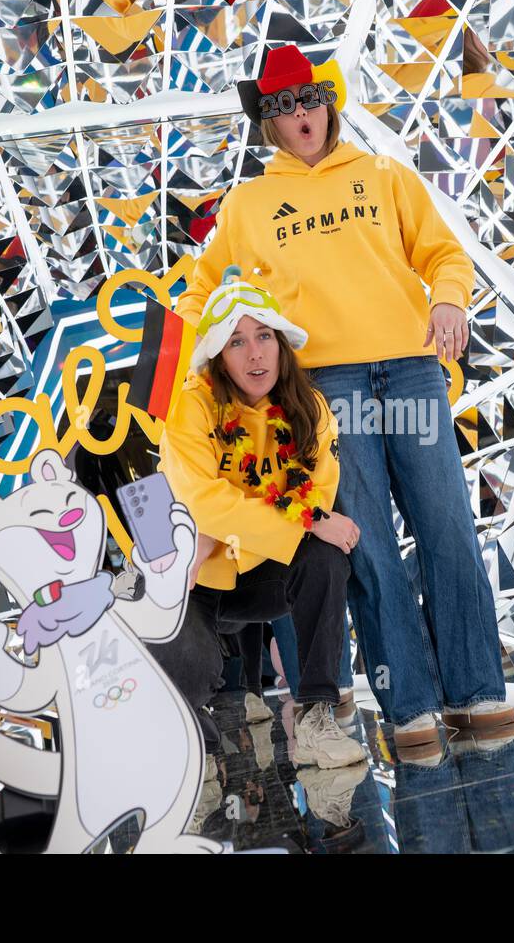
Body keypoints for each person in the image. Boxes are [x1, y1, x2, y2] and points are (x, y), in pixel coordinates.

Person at [176, 44, 514, 749]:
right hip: (328, 390)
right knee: (368, 549)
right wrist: (192, 363)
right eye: (281, 106)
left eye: (308, 99)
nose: (299, 114)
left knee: (448, 528)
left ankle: (479, 691)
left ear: (327, 104)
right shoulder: (245, 204)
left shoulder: (385, 176)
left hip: (414, 371)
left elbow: (444, 254)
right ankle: (409, 709)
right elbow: (202, 293)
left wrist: (450, 300)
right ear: (267, 123)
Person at [161, 273, 367, 770]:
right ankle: (192, 740)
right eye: (237, 341)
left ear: (281, 344)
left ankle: (318, 717)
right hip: (195, 577)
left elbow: (313, 500)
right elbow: (204, 504)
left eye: (264, 337)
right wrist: (282, 525)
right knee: (186, 669)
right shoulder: (189, 408)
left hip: (255, 569)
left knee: (325, 557)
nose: (255, 354)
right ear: (217, 355)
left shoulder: (311, 410)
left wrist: (230, 536)